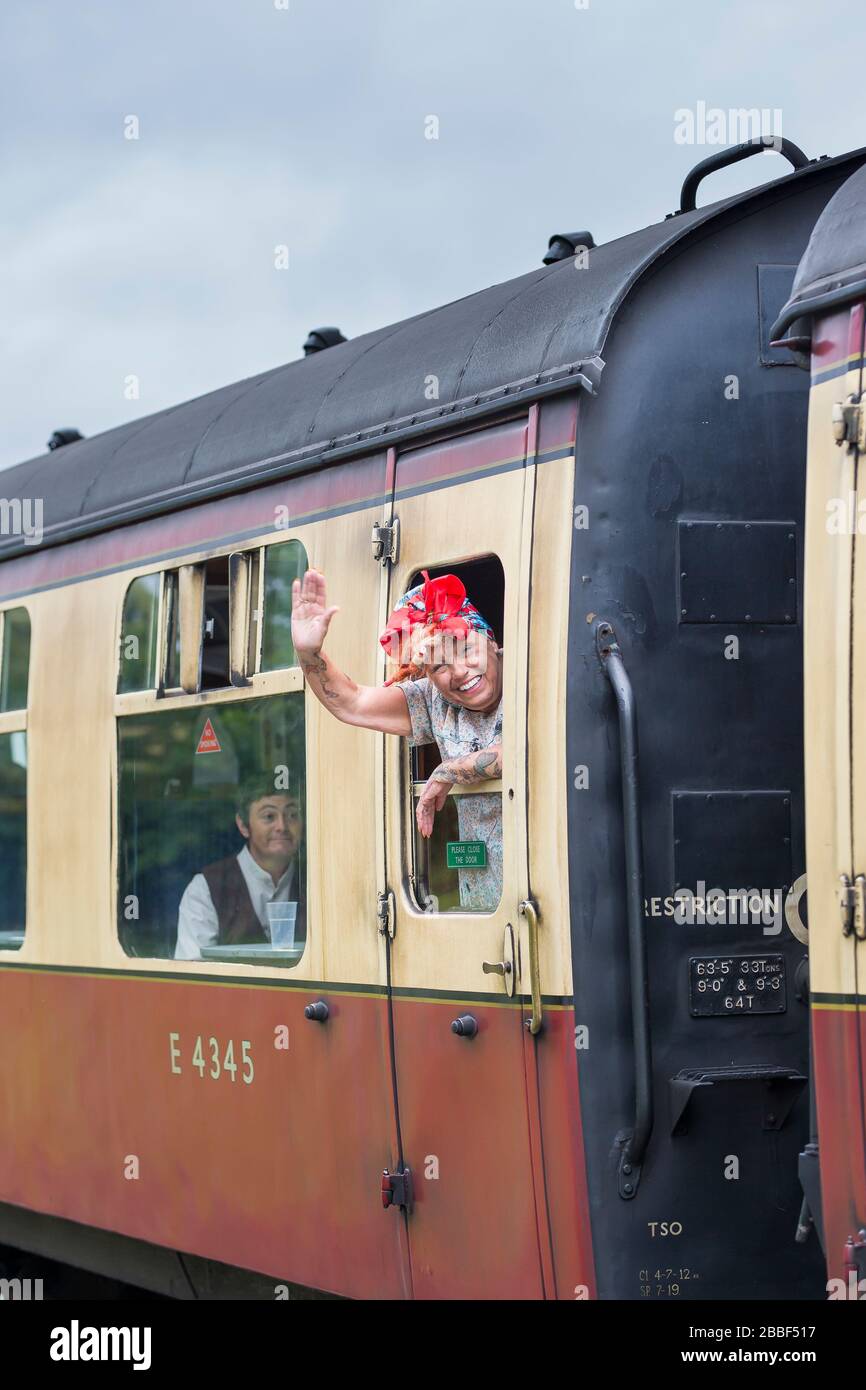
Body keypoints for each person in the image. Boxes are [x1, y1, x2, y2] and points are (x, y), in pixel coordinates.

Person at [291, 567, 503, 911]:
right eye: (438, 667)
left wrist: (447, 770)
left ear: (491, 639)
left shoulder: (531, 670)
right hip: (482, 911)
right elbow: (352, 703)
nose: (460, 672)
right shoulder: (435, 700)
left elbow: (530, 749)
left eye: (466, 649)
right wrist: (309, 653)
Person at [174, 779, 306, 959]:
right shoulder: (206, 888)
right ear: (243, 826)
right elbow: (194, 976)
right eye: (269, 816)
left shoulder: (318, 881)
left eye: (292, 815)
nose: (282, 827)